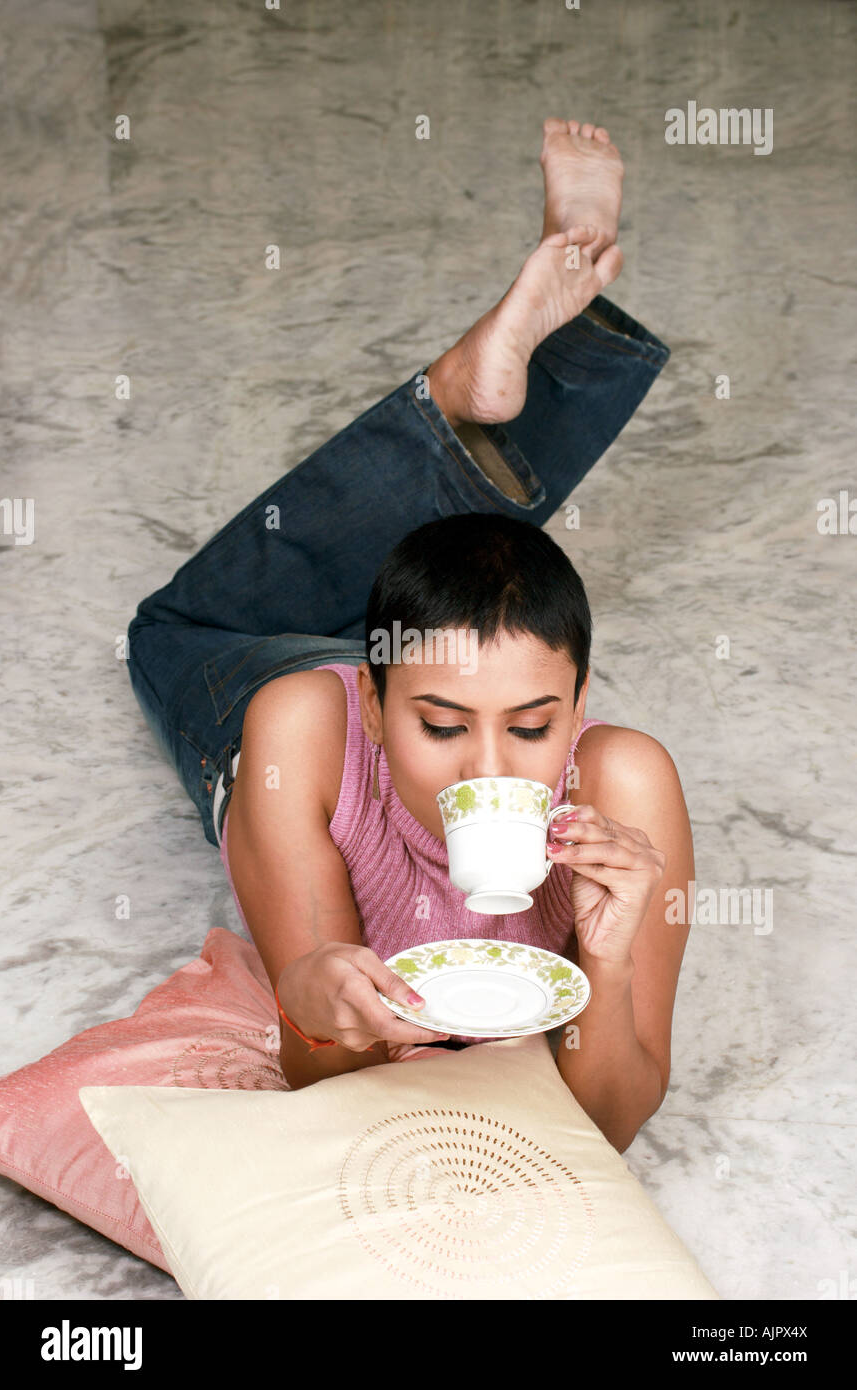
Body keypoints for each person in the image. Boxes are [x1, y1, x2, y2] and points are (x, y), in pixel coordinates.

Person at [127, 119, 692, 1153]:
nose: (489, 769)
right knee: (177, 629)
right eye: (440, 728)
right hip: (297, 683)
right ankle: (465, 400)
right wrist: (314, 994)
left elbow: (607, 1119)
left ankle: (463, 399)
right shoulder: (305, 721)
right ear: (376, 711)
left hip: (420, 646)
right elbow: (328, 1085)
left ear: (579, 701)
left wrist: (609, 963)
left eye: (532, 728)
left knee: (425, 586)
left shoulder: (626, 785)